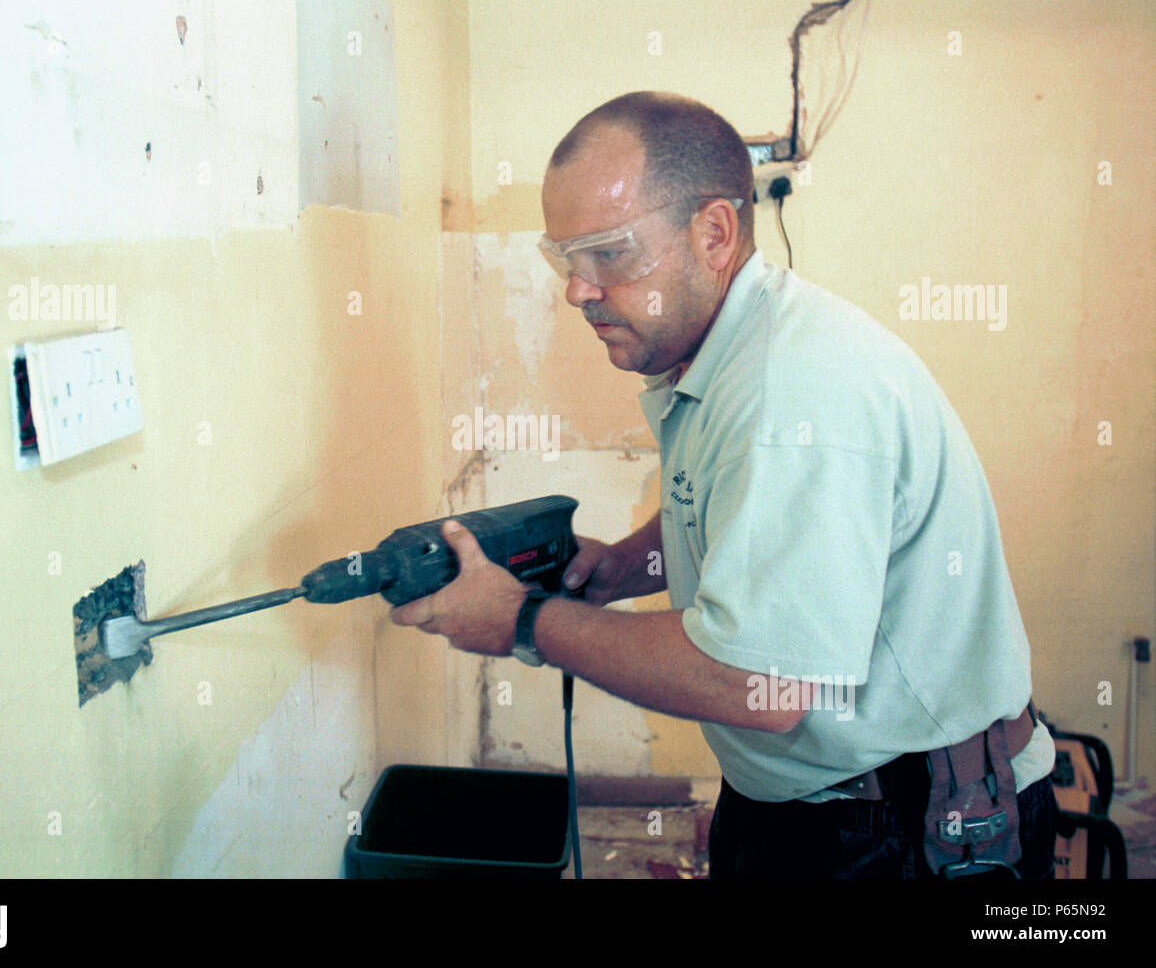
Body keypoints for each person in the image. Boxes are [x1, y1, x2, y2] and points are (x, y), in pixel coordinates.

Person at [392, 91, 1058, 879]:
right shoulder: (731, 356)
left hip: (906, 830)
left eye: (609, 252)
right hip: (814, 802)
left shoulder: (792, 392)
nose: (577, 289)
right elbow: (735, 520)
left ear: (714, 233)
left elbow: (761, 685)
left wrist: (524, 621)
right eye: (565, 258)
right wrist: (621, 567)